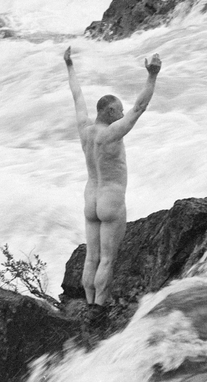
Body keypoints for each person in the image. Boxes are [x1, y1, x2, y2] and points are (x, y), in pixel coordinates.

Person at [64, 46, 161, 313]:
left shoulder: (85, 129)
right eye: (117, 110)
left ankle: (87, 303)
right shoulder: (113, 133)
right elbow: (139, 108)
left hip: (90, 197)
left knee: (91, 257)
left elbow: (77, 96)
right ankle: (98, 310)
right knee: (107, 259)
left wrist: (69, 65)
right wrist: (152, 76)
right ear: (108, 112)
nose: (121, 114)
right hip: (111, 197)